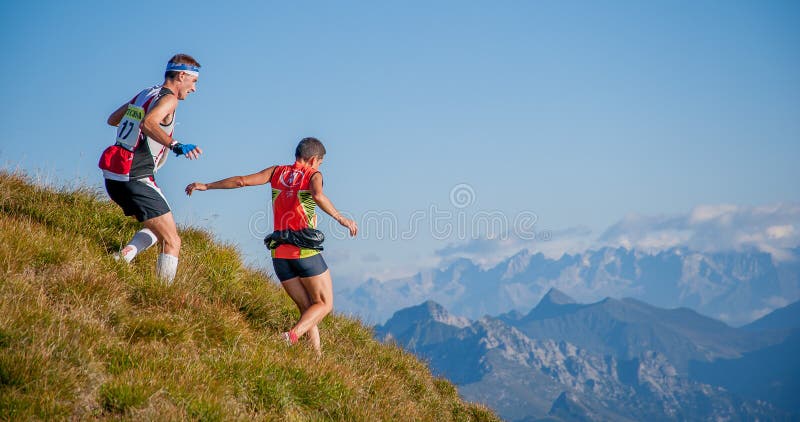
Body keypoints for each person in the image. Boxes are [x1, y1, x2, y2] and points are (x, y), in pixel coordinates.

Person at [185, 137, 358, 353]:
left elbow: (241, 181)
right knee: (324, 304)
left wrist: (206, 186)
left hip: (279, 254)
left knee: (307, 309)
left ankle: (316, 359)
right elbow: (318, 195)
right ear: (314, 160)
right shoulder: (313, 174)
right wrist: (342, 219)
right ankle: (290, 336)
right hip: (303, 250)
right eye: (320, 163)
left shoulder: (276, 172)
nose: (319, 167)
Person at [98, 54, 203, 284]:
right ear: (181, 76)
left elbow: (114, 119)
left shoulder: (146, 93)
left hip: (114, 176)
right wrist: (175, 145)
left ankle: (123, 256)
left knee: (159, 227)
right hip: (135, 176)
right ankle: (162, 295)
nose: (194, 88)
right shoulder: (169, 99)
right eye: (193, 81)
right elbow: (149, 123)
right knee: (173, 241)